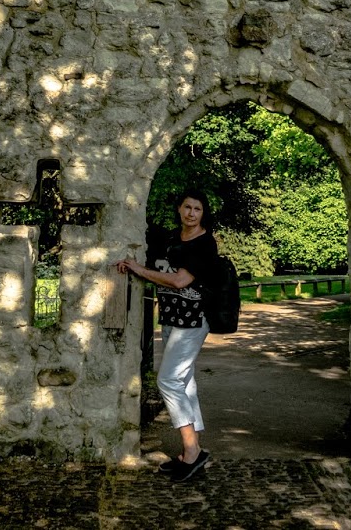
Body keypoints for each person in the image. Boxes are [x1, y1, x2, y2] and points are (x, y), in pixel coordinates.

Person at [116, 187, 219, 481]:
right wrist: (132, 263)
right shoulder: (173, 239)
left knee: (168, 380)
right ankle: (195, 451)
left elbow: (179, 280)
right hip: (172, 319)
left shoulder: (204, 243)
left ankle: (190, 450)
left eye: (197, 209)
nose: (191, 213)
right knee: (184, 382)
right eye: (187, 207)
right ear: (179, 209)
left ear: (203, 214)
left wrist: (137, 268)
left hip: (194, 321)